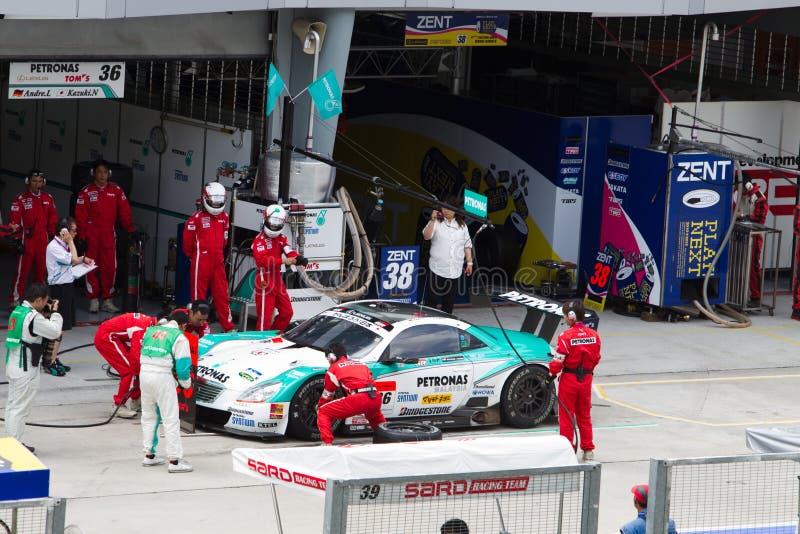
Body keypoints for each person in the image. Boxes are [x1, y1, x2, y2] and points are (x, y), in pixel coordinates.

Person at [3, 283, 63, 452]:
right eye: (45, 301)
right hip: (25, 369)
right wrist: (55, 313)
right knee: (20, 408)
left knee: (13, 406)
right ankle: (14, 447)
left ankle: (11, 442)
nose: (46, 304)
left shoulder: (18, 311)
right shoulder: (33, 317)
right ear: (38, 300)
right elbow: (54, 332)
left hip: (13, 364)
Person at [75, 160, 135, 313]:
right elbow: (80, 216)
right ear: (93, 174)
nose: (102, 175)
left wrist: (130, 230)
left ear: (109, 174)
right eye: (99, 172)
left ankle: (108, 299)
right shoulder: (86, 192)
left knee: (110, 268)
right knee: (90, 267)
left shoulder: (116, 191)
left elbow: (125, 212)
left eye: (105, 172)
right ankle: (93, 299)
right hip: (91, 235)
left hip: (109, 234)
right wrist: (82, 237)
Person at [139, 309, 193, 473]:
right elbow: (183, 367)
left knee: (148, 416)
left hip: (144, 375)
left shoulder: (151, 330)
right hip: (162, 377)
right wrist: (186, 384)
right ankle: (175, 461)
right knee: (170, 419)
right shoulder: (179, 337)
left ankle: (149, 455)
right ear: (183, 325)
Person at [549, 300, 601, 462]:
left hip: (569, 380)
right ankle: (588, 451)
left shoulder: (565, 336)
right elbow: (596, 358)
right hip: (586, 379)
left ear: (571, 316)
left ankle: (567, 450)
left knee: (566, 416)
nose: (564, 318)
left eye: (565, 315)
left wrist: (550, 374)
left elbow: (558, 361)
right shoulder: (594, 335)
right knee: (584, 415)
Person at [45, 217, 94, 376]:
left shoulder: (62, 245)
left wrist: (83, 260)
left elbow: (72, 261)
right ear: (64, 232)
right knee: (58, 328)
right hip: (59, 289)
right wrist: (72, 243)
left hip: (66, 286)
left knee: (62, 327)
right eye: (73, 230)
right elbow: (72, 259)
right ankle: (49, 361)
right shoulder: (54, 247)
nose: (76, 233)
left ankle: (52, 357)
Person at [182, 182, 234, 332]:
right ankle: (199, 329)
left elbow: (224, 241)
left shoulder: (224, 217)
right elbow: (187, 244)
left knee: (222, 295)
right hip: (201, 261)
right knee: (199, 299)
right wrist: (196, 257)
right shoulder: (195, 219)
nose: (217, 204)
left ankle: (229, 327)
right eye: (214, 200)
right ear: (206, 198)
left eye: (219, 200)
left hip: (218, 261)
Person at [251, 204, 307, 332]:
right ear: (265, 220)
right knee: (264, 319)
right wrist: (284, 261)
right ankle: (259, 344)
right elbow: (262, 261)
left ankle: (274, 335)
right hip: (264, 279)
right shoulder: (258, 240)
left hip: (277, 279)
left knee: (287, 312)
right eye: (272, 222)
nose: (274, 226)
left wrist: (299, 258)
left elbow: (289, 251)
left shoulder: (281, 238)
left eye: (278, 223)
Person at [317, 342, 385, 446]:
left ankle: (327, 444)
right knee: (375, 418)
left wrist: (320, 406)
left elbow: (327, 395)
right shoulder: (361, 364)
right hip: (375, 397)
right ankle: (387, 439)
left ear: (331, 357)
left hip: (358, 399)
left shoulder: (333, 369)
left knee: (323, 411)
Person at [9, 168, 57, 307]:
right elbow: (15, 222)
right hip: (27, 240)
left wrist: (54, 238)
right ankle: (15, 299)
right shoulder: (21, 199)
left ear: (43, 183)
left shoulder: (48, 198)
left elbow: (53, 221)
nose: (37, 184)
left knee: (41, 273)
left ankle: (39, 301)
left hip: (43, 240)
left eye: (40, 181)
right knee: (22, 273)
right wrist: (17, 239)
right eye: (34, 181)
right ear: (28, 182)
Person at [94, 312, 158, 418]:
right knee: (129, 370)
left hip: (112, 336)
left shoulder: (150, 323)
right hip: (106, 337)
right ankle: (118, 406)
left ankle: (136, 401)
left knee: (137, 367)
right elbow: (136, 358)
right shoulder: (142, 328)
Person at [422, 195, 473, 314]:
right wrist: (432, 220)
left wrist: (469, 262)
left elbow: (467, 245)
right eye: (443, 208)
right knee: (431, 301)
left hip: (454, 271)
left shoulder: (462, 226)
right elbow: (426, 236)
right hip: (437, 269)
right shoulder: (436, 222)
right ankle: (428, 323)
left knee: (449, 303)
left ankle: (445, 325)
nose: (445, 211)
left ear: (455, 210)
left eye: (449, 208)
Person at [741, 176, 769, 307]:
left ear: (747, 186)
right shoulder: (741, 195)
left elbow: (759, 219)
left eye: (738, 187)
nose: (737, 190)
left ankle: (756, 297)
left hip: (755, 236)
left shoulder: (759, 198)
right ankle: (736, 295)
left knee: (753, 266)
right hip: (742, 234)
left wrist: (742, 216)